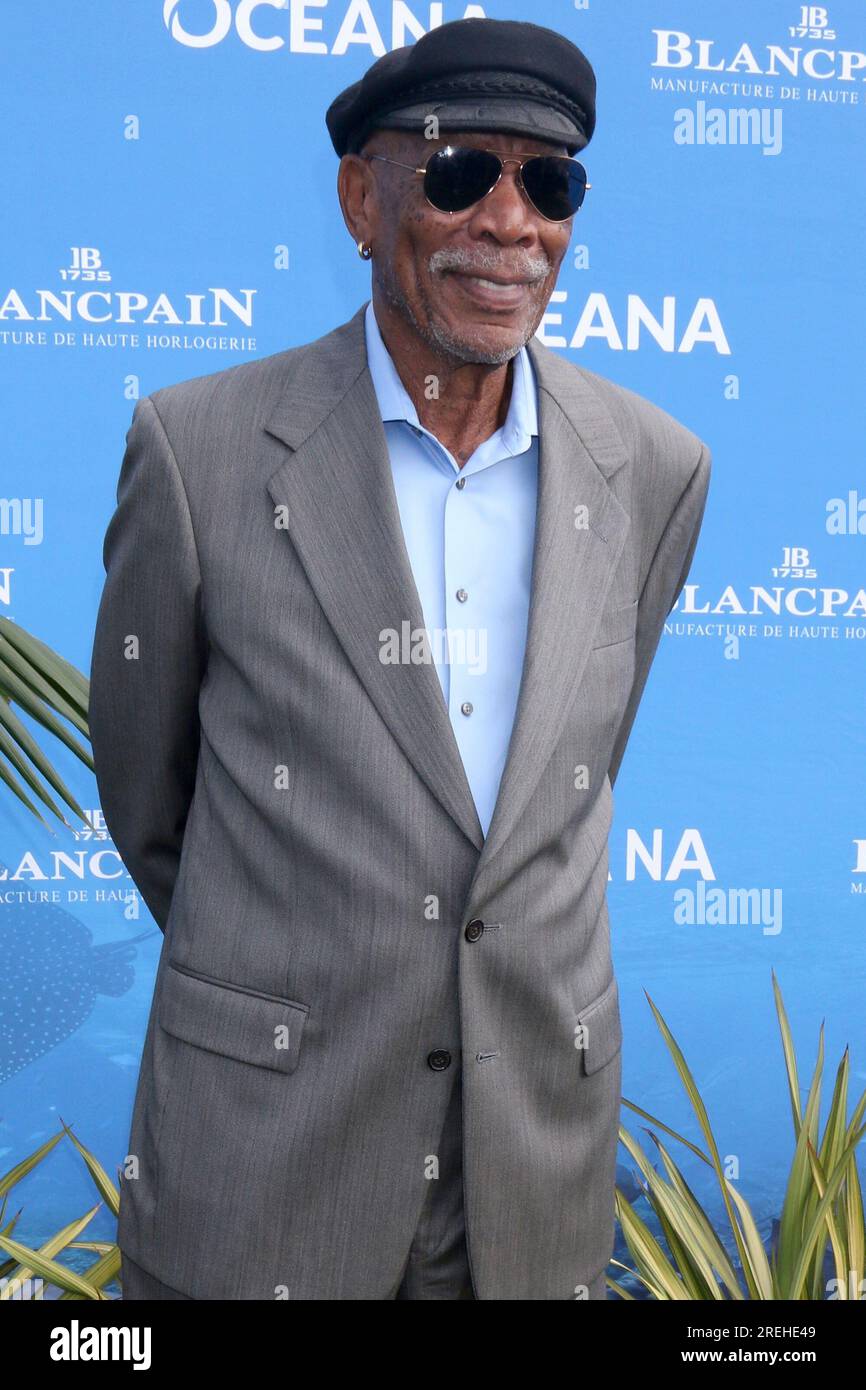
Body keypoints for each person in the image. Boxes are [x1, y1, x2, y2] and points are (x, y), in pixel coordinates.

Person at [89, 17, 711, 1301]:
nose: (507, 221)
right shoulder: (199, 451)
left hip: (526, 1186)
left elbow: (565, 785)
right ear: (360, 198)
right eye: (454, 172)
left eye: (548, 182)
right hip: (264, 1165)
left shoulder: (653, 467)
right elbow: (152, 804)